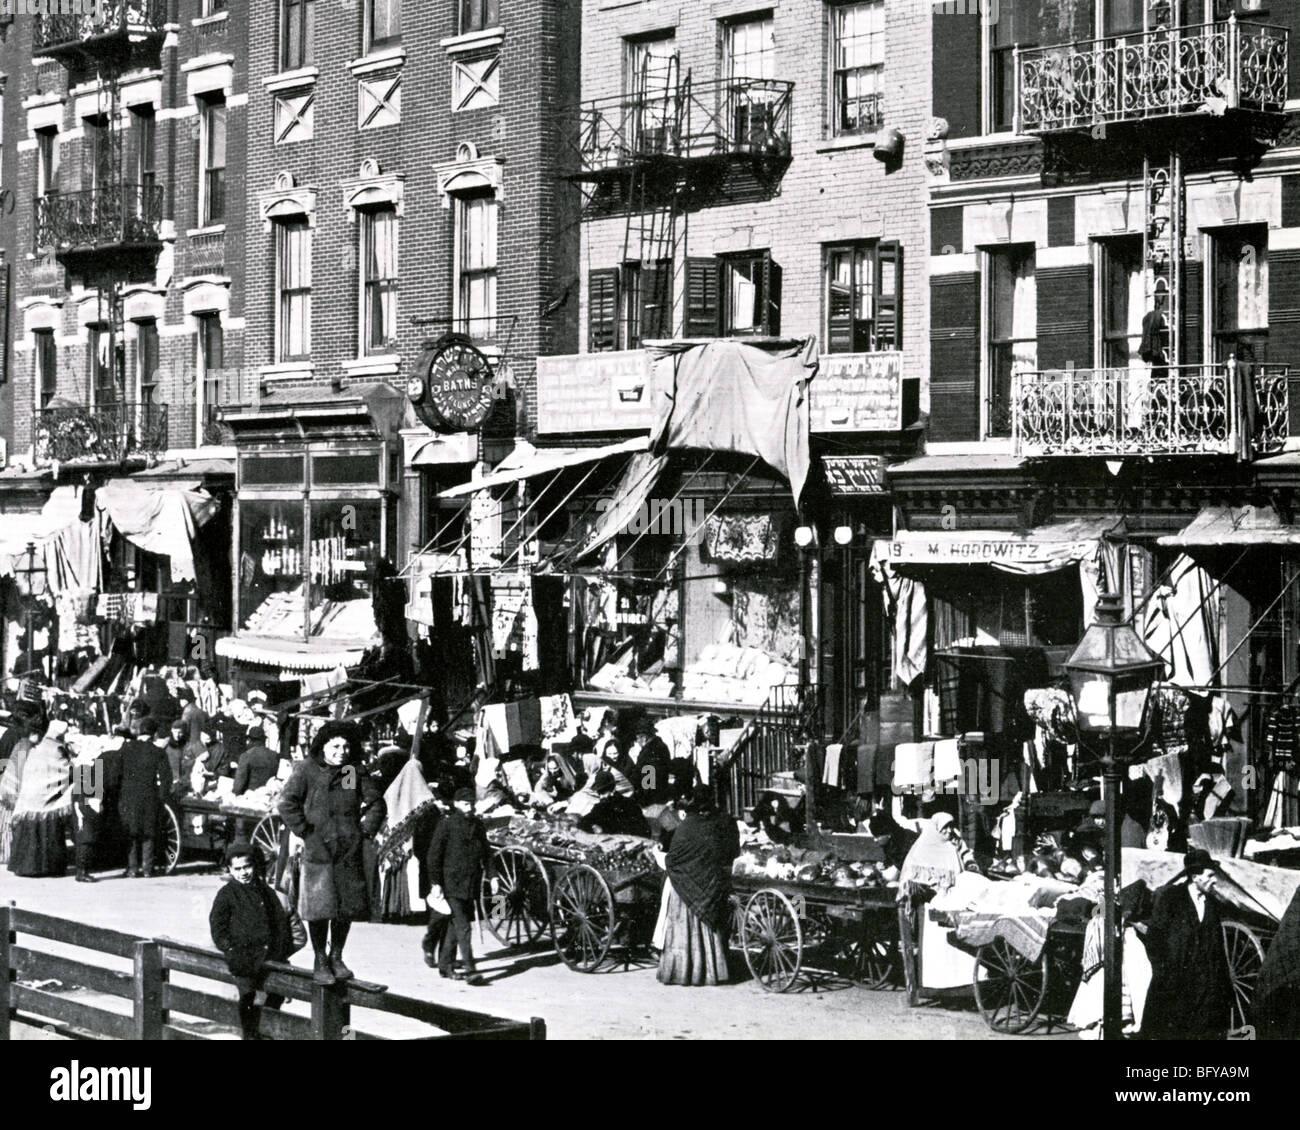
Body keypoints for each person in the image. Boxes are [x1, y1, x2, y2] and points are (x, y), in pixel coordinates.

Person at [278, 721, 385, 985]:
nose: (342, 751)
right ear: (323, 745)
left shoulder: (350, 771)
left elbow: (374, 801)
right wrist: (306, 831)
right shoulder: (307, 770)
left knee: (345, 906)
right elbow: (286, 802)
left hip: (348, 849)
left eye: (346, 746)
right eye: (335, 745)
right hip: (319, 850)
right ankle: (320, 959)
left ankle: (337, 955)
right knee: (320, 906)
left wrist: (364, 830)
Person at [1141, 848, 1235, 1040]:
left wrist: (1224, 987)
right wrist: (1163, 970)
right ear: (1194, 876)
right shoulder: (1171, 899)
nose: (1214, 880)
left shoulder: (1212, 904)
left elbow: (1218, 947)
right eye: (1209, 875)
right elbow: (1154, 938)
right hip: (1175, 984)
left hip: (1206, 986)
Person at [209, 843, 298, 1040]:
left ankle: (266, 1031)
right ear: (230, 870)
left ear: (254, 866)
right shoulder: (227, 894)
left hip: (269, 954)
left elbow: (279, 922)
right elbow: (218, 926)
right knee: (247, 994)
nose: (243, 873)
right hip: (243, 955)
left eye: (247, 867)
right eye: (237, 869)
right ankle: (249, 1035)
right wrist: (229, 948)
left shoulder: (265, 891)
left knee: (276, 993)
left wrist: (281, 951)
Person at [657, 785, 740, 986]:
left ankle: (683, 972)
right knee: (709, 934)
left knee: (683, 931)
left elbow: (673, 860)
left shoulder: (686, 827)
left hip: (685, 889)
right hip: (711, 885)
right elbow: (729, 853)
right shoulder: (716, 824)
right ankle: (712, 971)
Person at [425, 787, 490, 985]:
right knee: (464, 927)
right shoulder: (447, 824)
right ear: (456, 804)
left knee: (454, 928)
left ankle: (445, 965)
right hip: (450, 883)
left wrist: (493, 877)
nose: (469, 807)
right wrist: (435, 883)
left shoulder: (478, 825)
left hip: (470, 884)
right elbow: (433, 856)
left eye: (471, 803)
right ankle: (471, 970)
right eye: (464, 803)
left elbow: (487, 853)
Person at [7, 715, 74, 877]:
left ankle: (25, 867)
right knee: (48, 833)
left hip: (30, 795)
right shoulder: (57, 749)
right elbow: (64, 770)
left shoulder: (37, 748)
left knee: (29, 834)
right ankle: (48, 867)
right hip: (48, 799)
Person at [118, 717, 173, 878]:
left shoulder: (126, 748)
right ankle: (148, 868)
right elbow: (166, 778)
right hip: (149, 796)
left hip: (128, 795)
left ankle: (132, 868)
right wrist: (162, 796)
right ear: (154, 734)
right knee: (149, 832)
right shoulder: (158, 752)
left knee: (131, 832)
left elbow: (117, 770)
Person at [579, 770, 651, 837]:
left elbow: (645, 830)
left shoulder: (628, 804)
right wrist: (594, 826)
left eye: (604, 792)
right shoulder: (599, 808)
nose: (601, 796)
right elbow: (583, 822)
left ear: (613, 790)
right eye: (599, 793)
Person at [233, 724, 281, 796]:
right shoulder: (274, 755)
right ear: (264, 740)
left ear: (249, 740)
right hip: (270, 795)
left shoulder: (246, 756)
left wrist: (234, 795)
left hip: (251, 796)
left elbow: (238, 784)